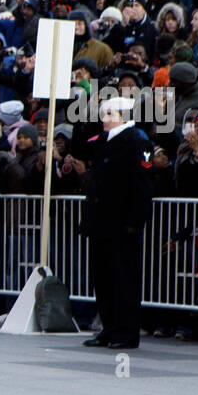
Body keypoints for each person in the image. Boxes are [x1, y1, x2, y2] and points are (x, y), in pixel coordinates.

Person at [83, 96, 153, 349]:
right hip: (102, 223)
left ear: (124, 115)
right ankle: (109, 327)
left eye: (110, 113)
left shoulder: (137, 141)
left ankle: (125, 332)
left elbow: (142, 184)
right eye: (104, 113)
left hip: (123, 224)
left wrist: (135, 222)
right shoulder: (103, 141)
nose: (105, 119)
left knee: (124, 279)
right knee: (103, 279)